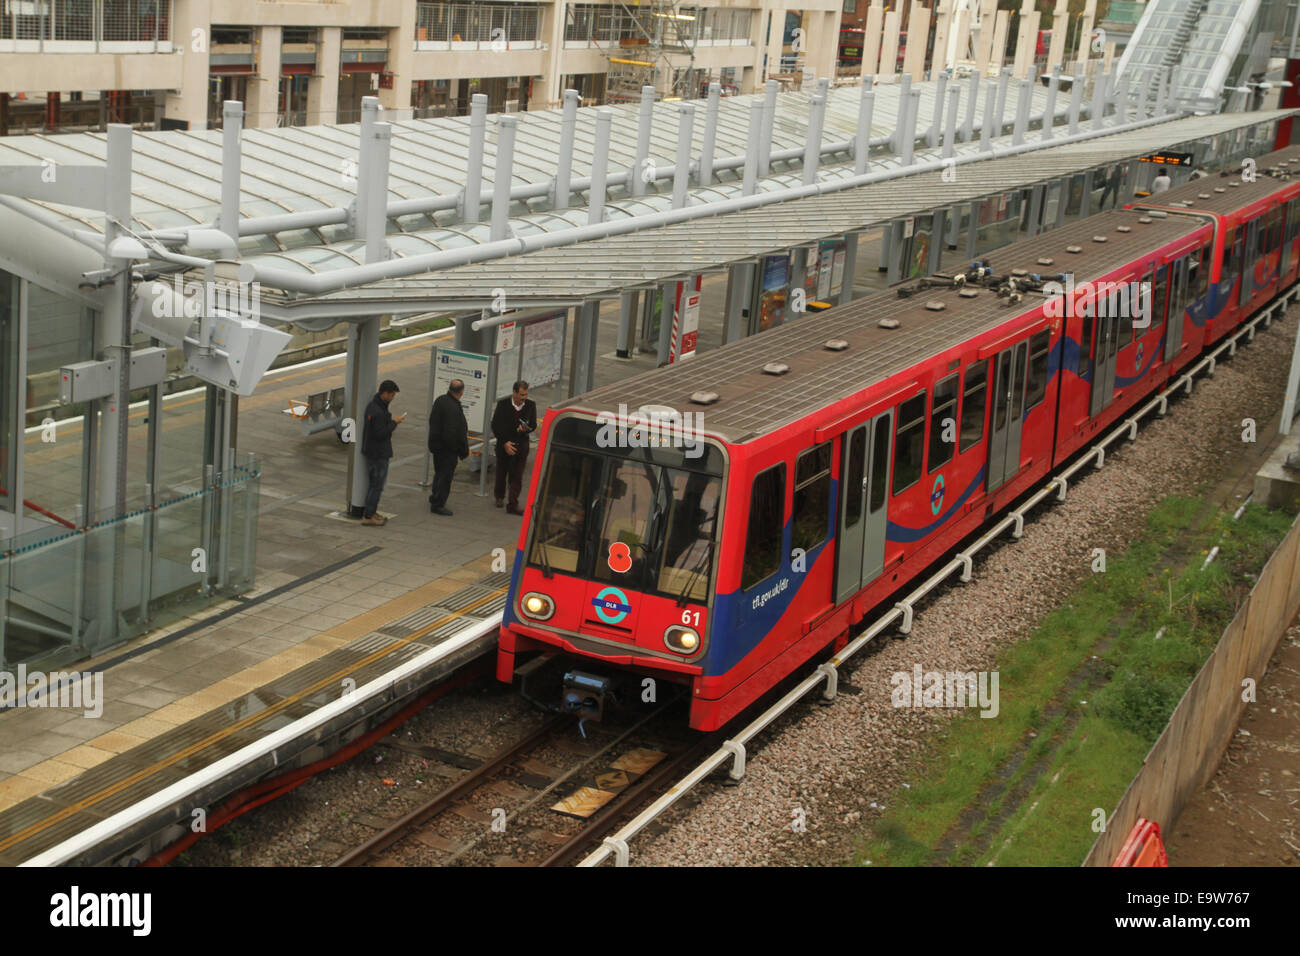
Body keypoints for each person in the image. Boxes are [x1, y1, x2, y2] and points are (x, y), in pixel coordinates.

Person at [360, 379, 405, 526]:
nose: (392, 398)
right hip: (378, 453)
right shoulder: (378, 411)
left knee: (375, 484)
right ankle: (368, 515)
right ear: (385, 394)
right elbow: (380, 434)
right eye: (392, 395)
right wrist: (394, 423)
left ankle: (371, 512)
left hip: (372, 450)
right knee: (377, 485)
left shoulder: (373, 406)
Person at [491, 380, 538, 515]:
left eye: (526, 395)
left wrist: (526, 429)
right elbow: (495, 425)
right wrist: (505, 442)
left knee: (517, 476)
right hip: (504, 445)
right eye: (522, 395)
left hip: (520, 447)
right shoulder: (503, 404)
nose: (524, 398)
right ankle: (499, 496)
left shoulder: (530, 405)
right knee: (501, 472)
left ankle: (513, 503)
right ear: (514, 393)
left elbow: (533, 424)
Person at [427, 379, 469, 516]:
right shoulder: (453, 407)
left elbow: (432, 421)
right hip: (448, 450)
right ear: (461, 391)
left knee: (439, 472)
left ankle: (434, 496)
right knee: (445, 477)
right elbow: (452, 432)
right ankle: (438, 504)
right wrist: (459, 449)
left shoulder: (440, 400)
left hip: (437, 446)